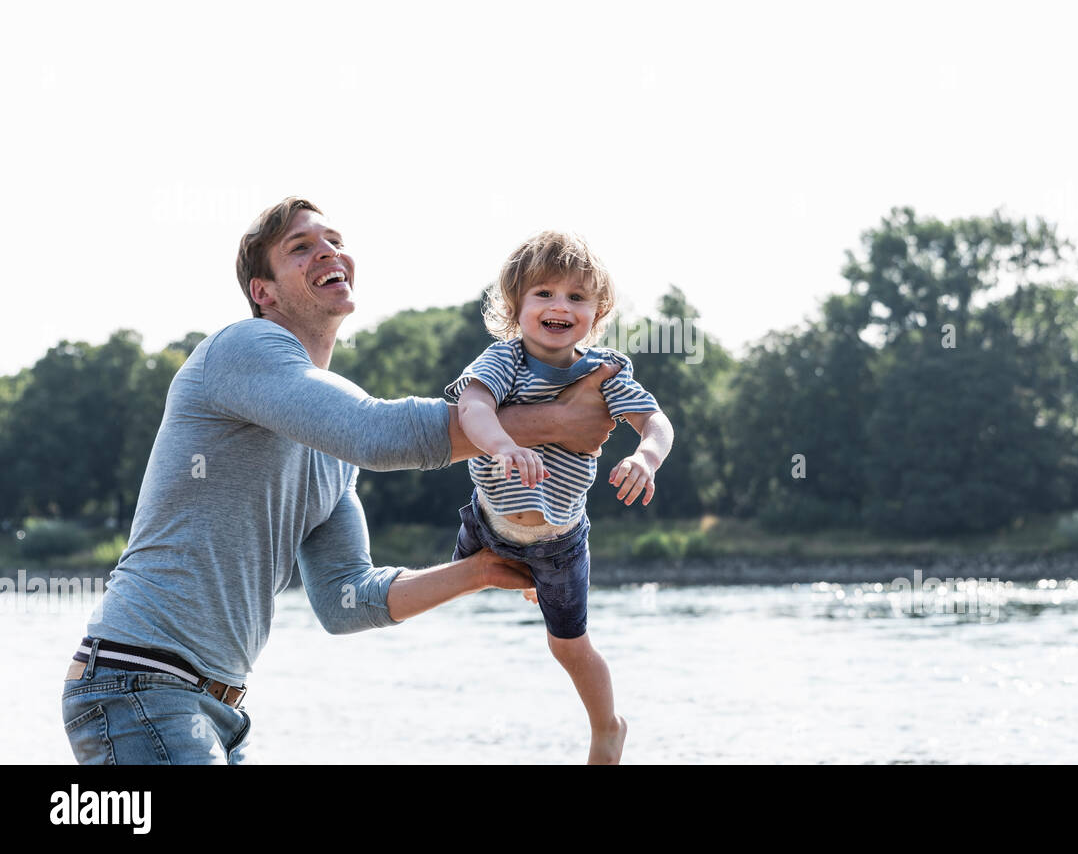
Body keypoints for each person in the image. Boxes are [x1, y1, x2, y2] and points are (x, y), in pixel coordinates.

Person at [60, 197, 619, 765]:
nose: (329, 251)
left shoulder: (331, 450)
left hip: (217, 709)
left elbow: (346, 600)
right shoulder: (242, 348)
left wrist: (477, 571)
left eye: (334, 240)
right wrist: (555, 419)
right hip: (140, 684)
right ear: (264, 292)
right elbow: (376, 432)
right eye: (301, 247)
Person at [446, 230, 674, 765]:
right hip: (488, 522)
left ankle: (607, 727)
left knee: (568, 645)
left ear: (597, 312)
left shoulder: (604, 372)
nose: (560, 306)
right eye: (544, 293)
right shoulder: (505, 362)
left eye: (576, 296)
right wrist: (504, 444)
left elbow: (656, 421)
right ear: (515, 307)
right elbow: (471, 409)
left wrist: (646, 457)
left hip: (559, 541)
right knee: (447, 587)